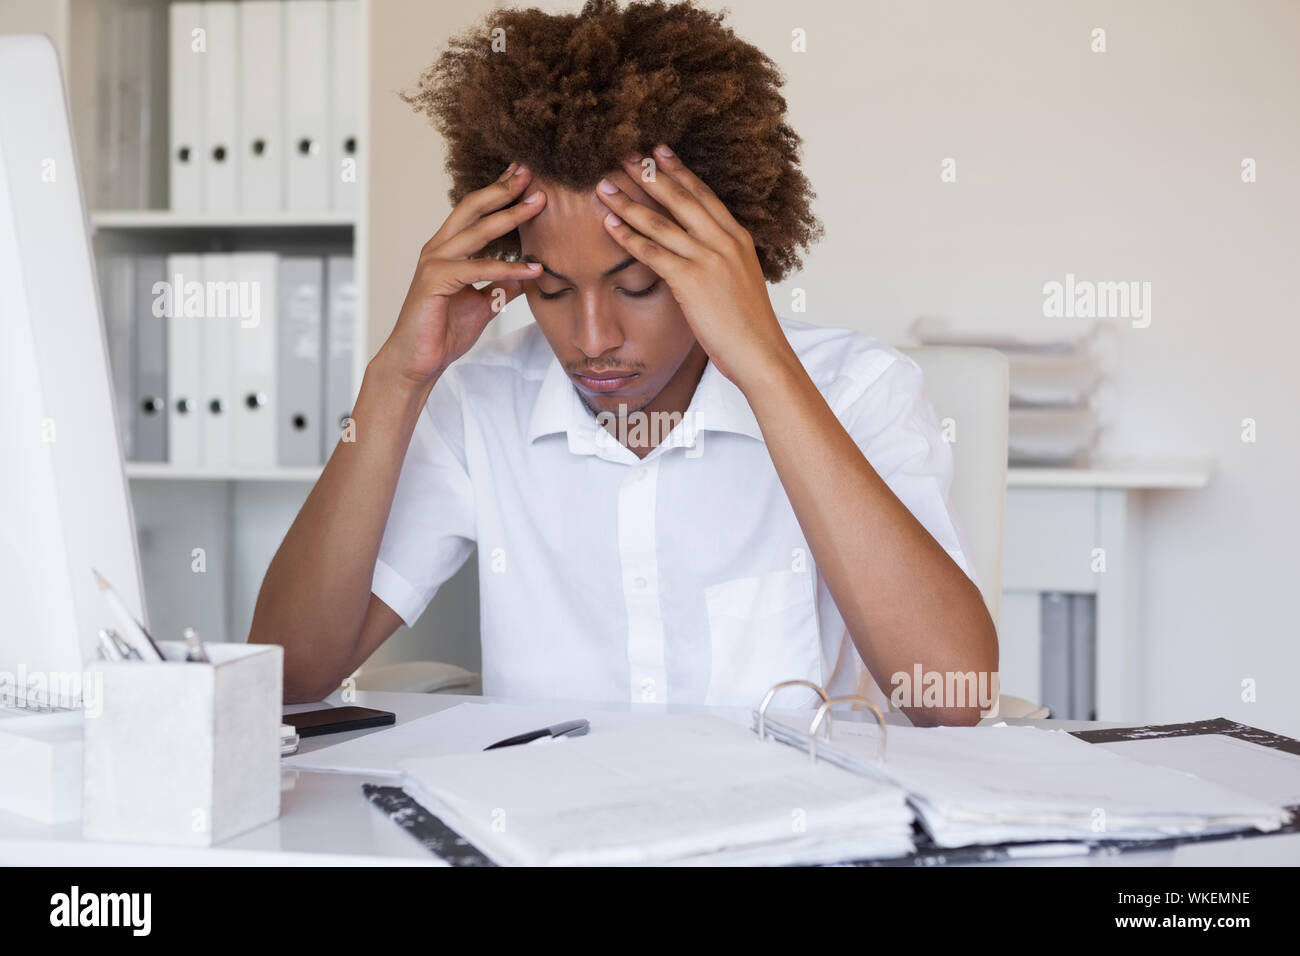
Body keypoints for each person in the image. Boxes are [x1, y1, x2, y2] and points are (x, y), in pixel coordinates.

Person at [250, 0, 997, 725]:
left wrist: (764, 368)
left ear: (724, 257)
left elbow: (952, 696)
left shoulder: (858, 388)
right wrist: (394, 381)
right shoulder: (479, 403)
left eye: (637, 285)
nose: (592, 337)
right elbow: (289, 676)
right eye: (550, 288)